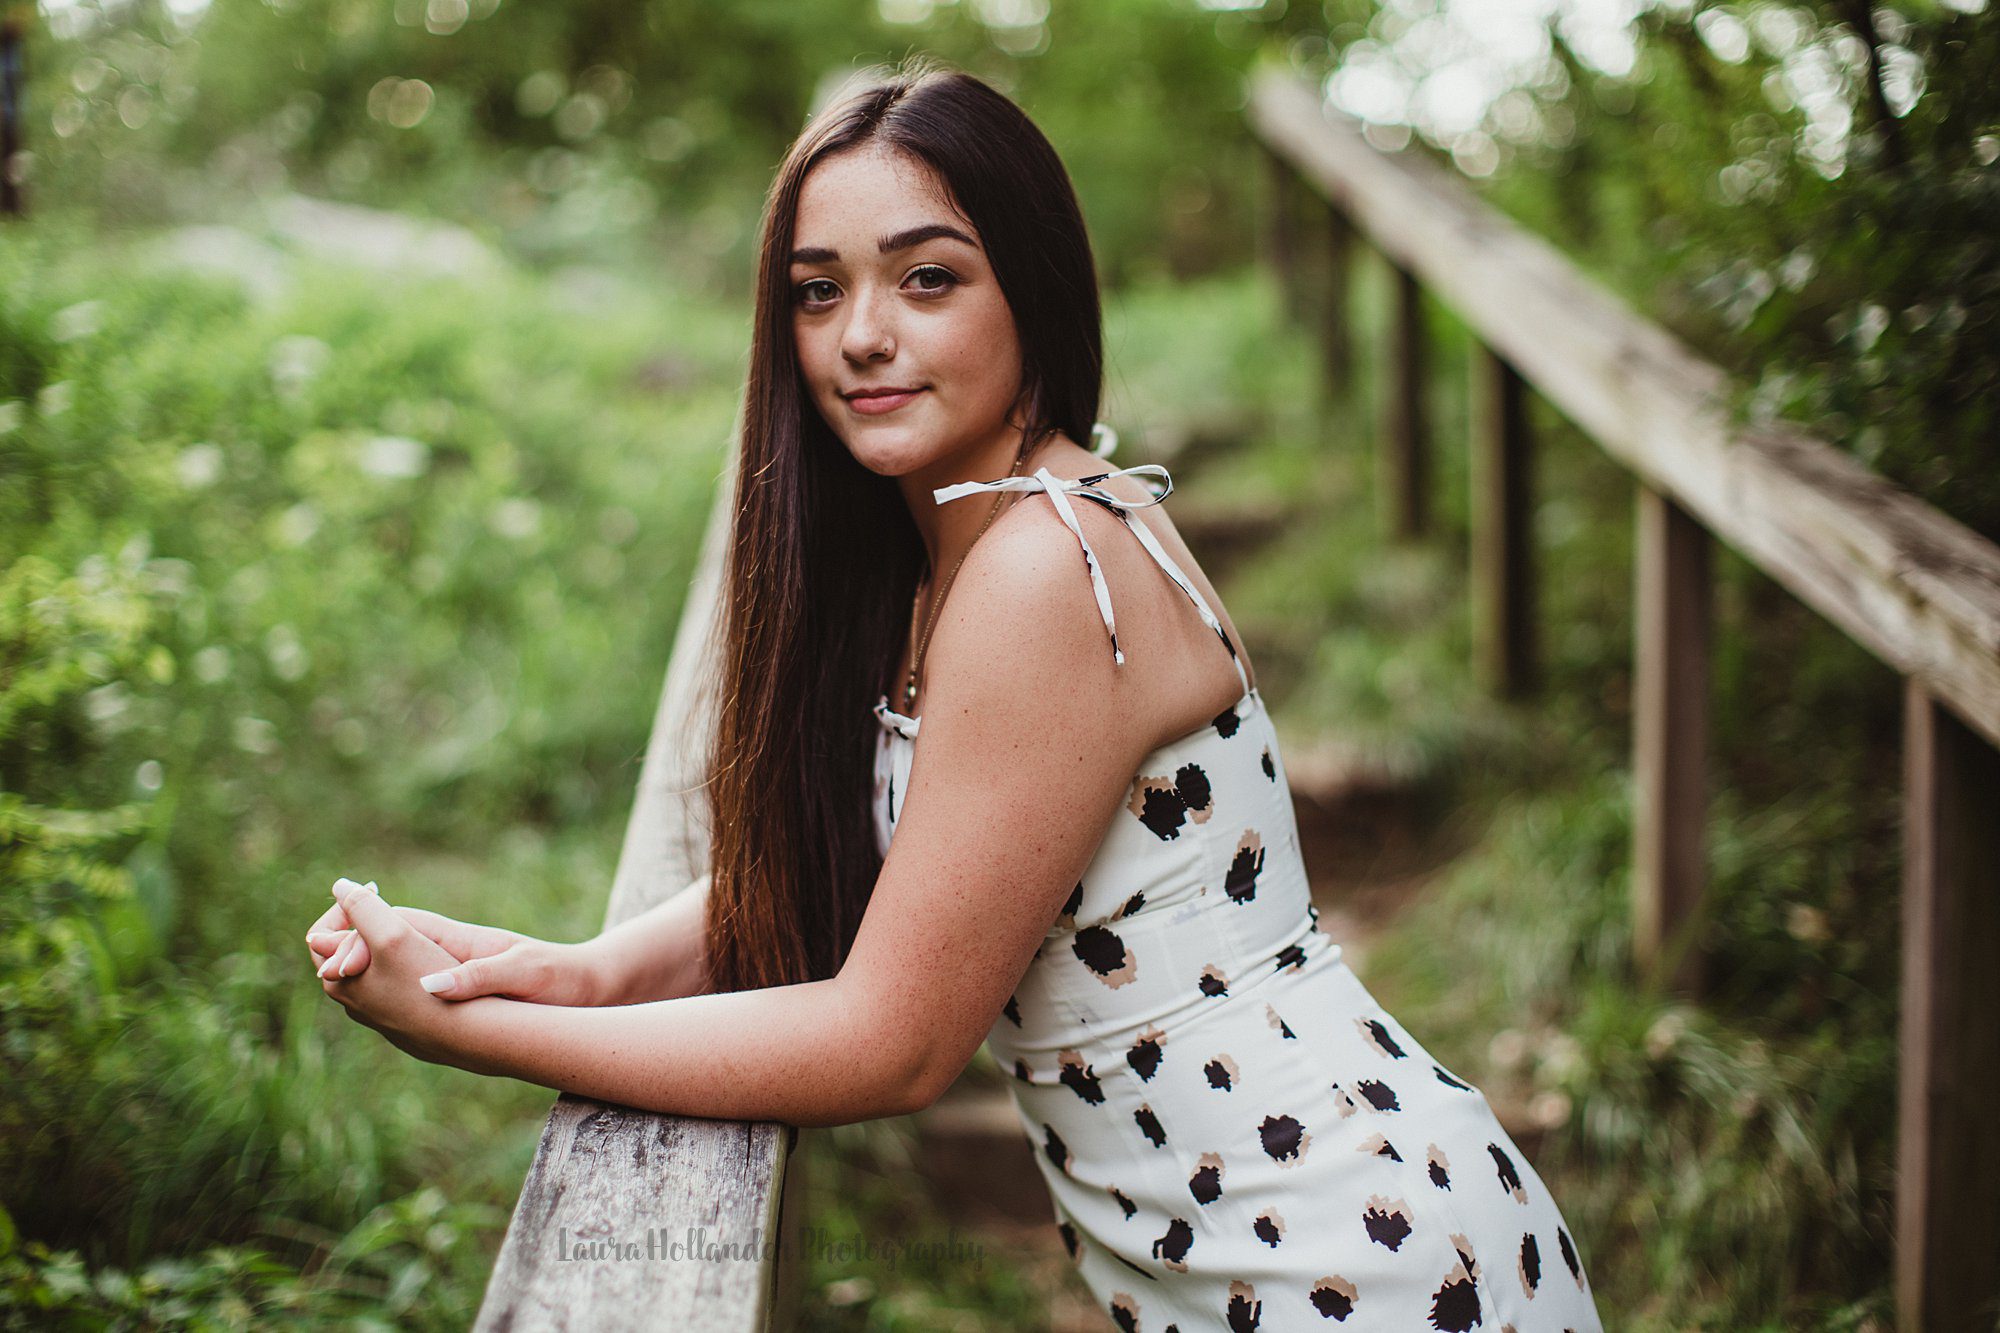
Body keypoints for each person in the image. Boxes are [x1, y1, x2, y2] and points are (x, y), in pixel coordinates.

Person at [305, 59, 1605, 1331]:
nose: (862, 334)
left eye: (927, 278)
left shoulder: (1046, 567)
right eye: (818, 291)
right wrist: (577, 976)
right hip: (1260, 1252)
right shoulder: (953, 549)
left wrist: (483, 1036)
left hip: (1358, 1258)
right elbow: (897, 849)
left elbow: (893, 1044)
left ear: (1031, 288)